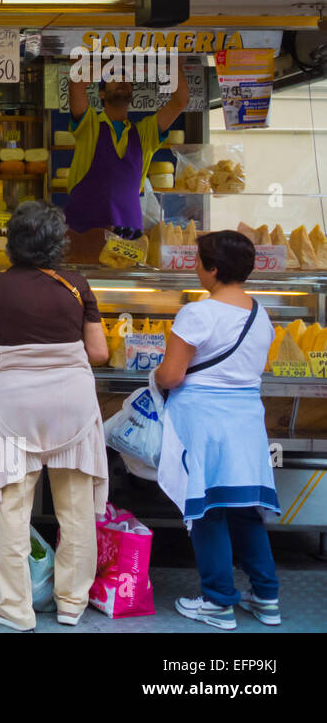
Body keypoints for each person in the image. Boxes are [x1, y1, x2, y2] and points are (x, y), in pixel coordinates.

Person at [0, 200, 109, 631]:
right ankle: (71, 603)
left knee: (13, 507)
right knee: (76, 508)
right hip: (73, 403)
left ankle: (15, 608)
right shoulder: (77, 283)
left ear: (13, 242)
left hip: (17, 406)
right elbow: (99, 352)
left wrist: (13, 355)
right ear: (58, 242)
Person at [154, 230, 280, 630]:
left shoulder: (198, 313)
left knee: (207, 511)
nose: (195, 268)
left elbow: (172, 376)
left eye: (197, 262)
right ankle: (266, 596)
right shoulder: (261, 315)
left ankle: (218, 602)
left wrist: (155, 371)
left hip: (203, 422)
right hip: (246, 422)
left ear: (212, 269)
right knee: (245, 511)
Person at [63, 63, 187, 246]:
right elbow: (76, 85)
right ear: (101, 93)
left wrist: (165, 63)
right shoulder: (89, 126)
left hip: (128, 233)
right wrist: (115, 63)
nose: (122, 80)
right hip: (83, 230)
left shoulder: (146, 133)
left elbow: (181, 100)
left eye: (127, 80)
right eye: (114, 78)